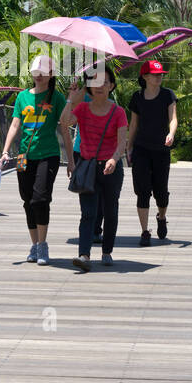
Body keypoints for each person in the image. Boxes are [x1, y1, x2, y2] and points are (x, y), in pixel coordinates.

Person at [0, 55, 72, 265]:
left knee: (40, 198)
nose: (39, 76)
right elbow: (15, 125)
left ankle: (43, 244)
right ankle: (34, 245)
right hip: (24, 155)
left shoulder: (56, 97)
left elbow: (66, 127)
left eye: (43, 73)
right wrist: (5, 151)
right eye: (35, 72)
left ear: (51, 75)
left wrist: (71, 161)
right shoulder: (22, 97)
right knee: (27, 200)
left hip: (48, 155)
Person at [62, 66, 130, 272]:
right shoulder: (82, 109)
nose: (100, 86)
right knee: (88, 213)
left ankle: (107, 251)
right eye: (95, 82)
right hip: (88, 166)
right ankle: (84, 254)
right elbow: (64, 122)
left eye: (105, 82)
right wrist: (70, 98)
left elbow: (121, 143)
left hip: (111, 168)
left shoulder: (118, 112)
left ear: (111, 86)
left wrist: (114, 159)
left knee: (111, 210)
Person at [127, 59, 177, 245]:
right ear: (145, 77)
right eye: (155, 75)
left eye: (161, 74)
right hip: (141, 149)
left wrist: (171, 134)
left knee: (161, 192)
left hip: (161, 149)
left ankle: (162, 217)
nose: (159, 77)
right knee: (142, 191)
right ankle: (144, 231)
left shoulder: (168, 95)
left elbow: (173, 118)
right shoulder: (137, 97)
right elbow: (134, 124)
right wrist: (129, 146)